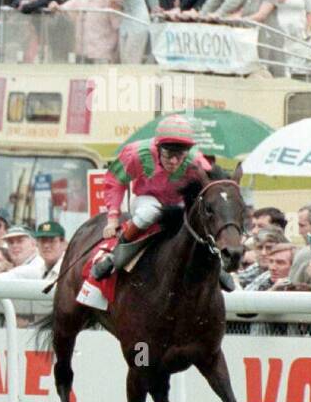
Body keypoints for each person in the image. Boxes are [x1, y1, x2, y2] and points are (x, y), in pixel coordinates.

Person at [91, 114, 230, 288]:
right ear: (158, 147)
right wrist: (112, 218)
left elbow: (212, 189)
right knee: (151, 212)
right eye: (169, 153)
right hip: (147, 200)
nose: (173, 161)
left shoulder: (196, 161)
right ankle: (114, 255)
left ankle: (218, 264)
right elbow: (115, 180)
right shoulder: (136, 154)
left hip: (178, 205)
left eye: (180, 155)